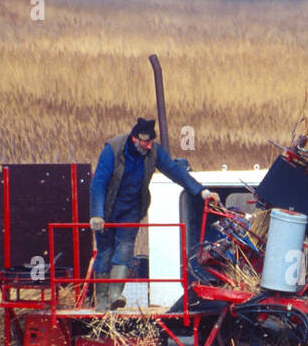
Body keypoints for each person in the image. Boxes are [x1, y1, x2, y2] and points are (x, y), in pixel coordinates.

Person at [89, 117, 215, 310]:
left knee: (124, 248)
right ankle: (102, 301)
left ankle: (115, 295)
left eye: (150, 142)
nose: (149, 146)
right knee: (105, 252)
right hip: (107, 209)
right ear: (134, 139)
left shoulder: (154, 152)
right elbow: (98, 183)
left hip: (131, 209)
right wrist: (97, 214)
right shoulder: (112, 149)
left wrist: (201, 191)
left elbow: (174, 171)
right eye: (146, 142)